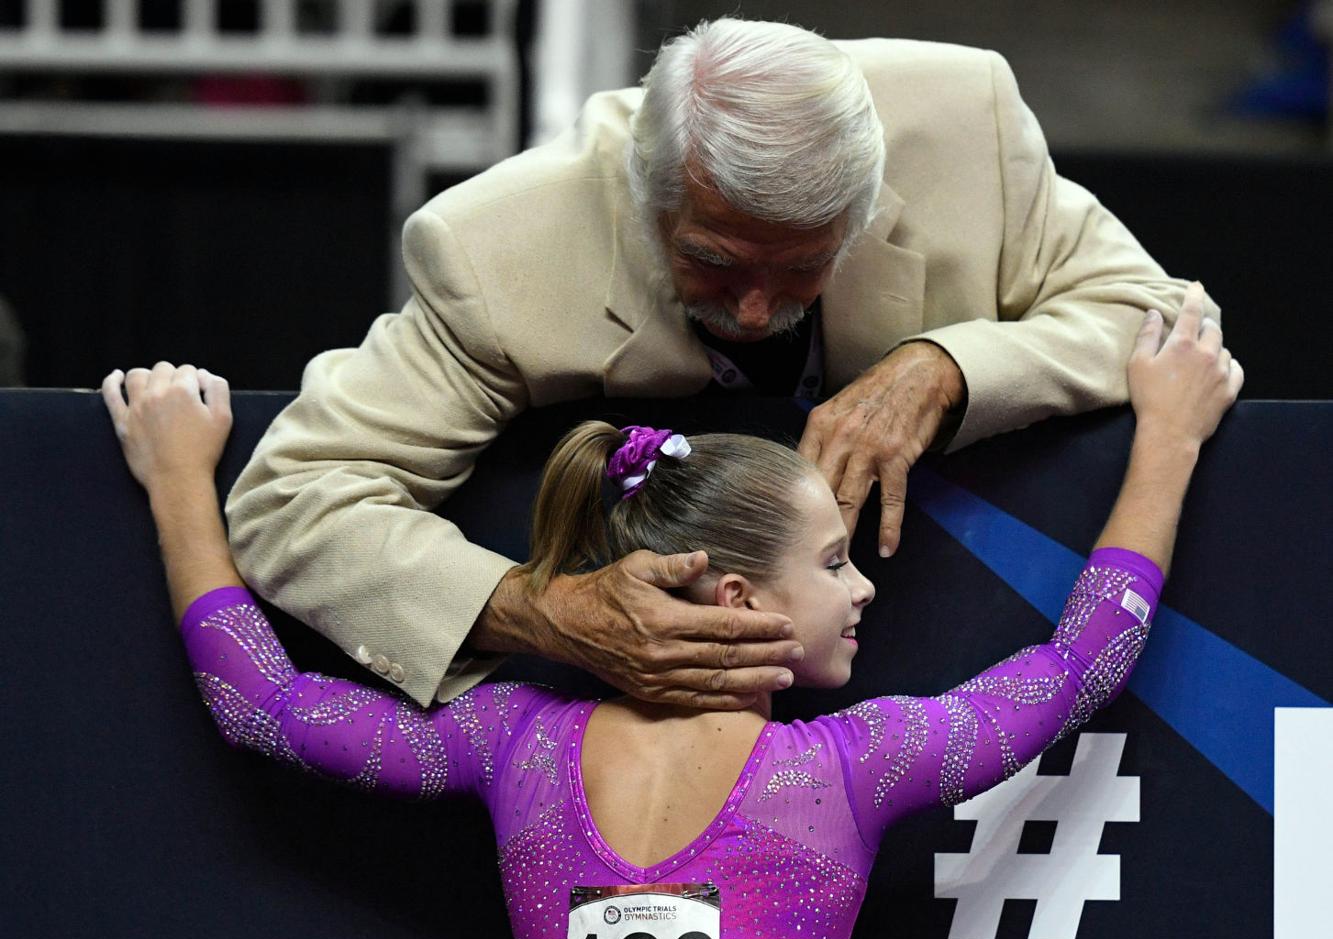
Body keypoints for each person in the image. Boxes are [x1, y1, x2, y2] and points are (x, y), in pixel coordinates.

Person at [101, 285, 1240, 939]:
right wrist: (1169, 438)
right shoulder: (847, 763)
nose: (863, 592)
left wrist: (178, 483)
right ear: (738, 601)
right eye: (834, 563)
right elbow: (1078, 662)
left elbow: (266, 704)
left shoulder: (516, 746)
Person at [223, 17, 1219, 716]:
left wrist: (942, 367)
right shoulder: (497, 251)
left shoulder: (964, 120)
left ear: (867, 209)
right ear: (647, 197)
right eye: (711, 261)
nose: (753, 309)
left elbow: (1163, 317)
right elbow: (294, 496)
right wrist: (544, 608)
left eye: (801, 267)